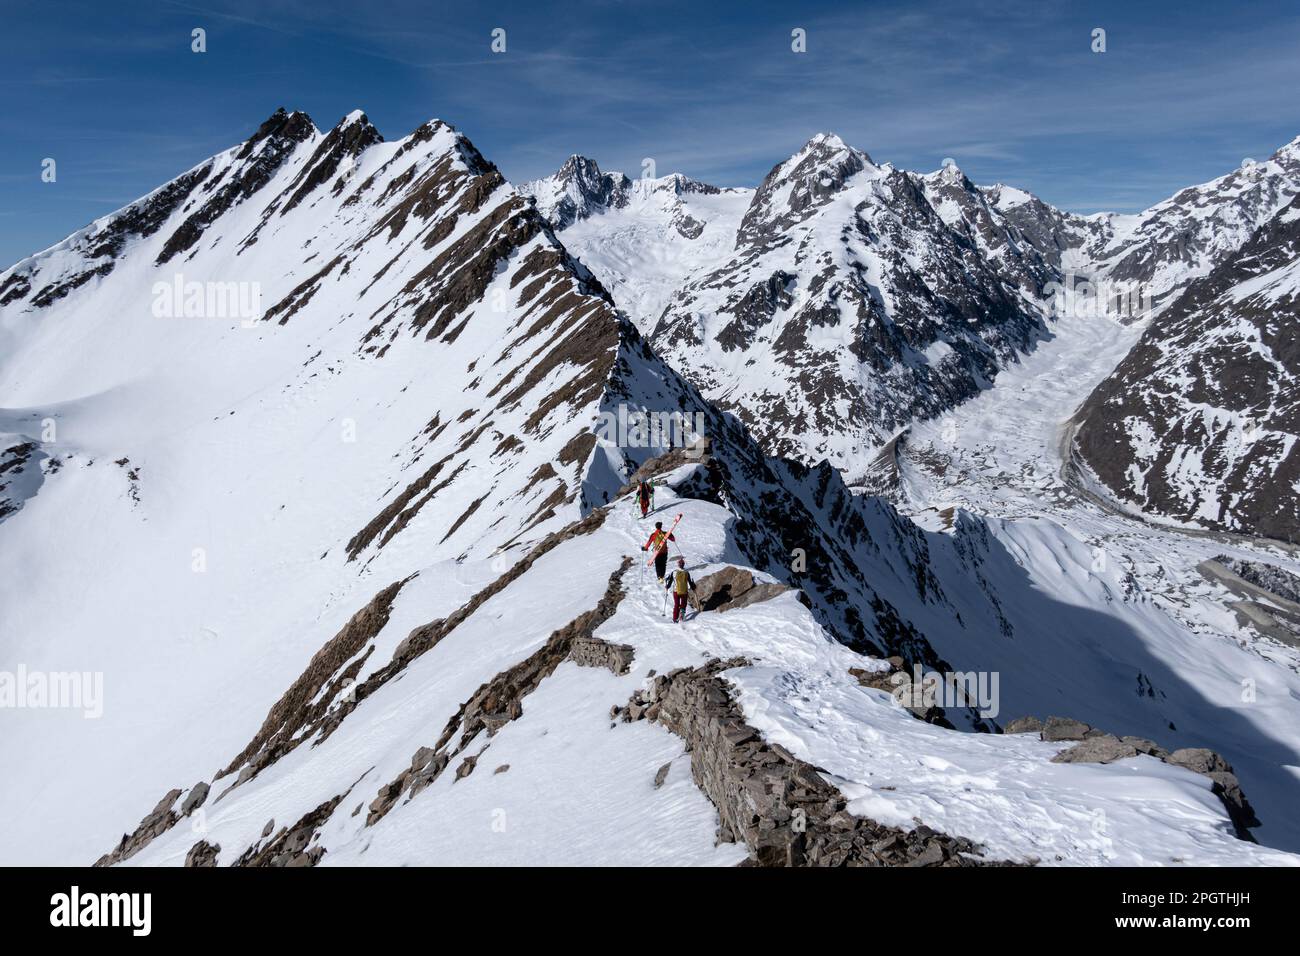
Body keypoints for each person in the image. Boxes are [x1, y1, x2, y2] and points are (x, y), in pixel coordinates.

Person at [664, 557, 695, 623]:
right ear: (683, 564)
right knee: (683, 604)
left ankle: (675, 619)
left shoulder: (674, 572)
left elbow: (670, 582)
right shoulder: (686, 572)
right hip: (684, 591)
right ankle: (681, 616)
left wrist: (667, 586)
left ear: (678, 564)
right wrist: (693, 587)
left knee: (676, 605)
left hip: (676, 591)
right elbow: (690, 582)